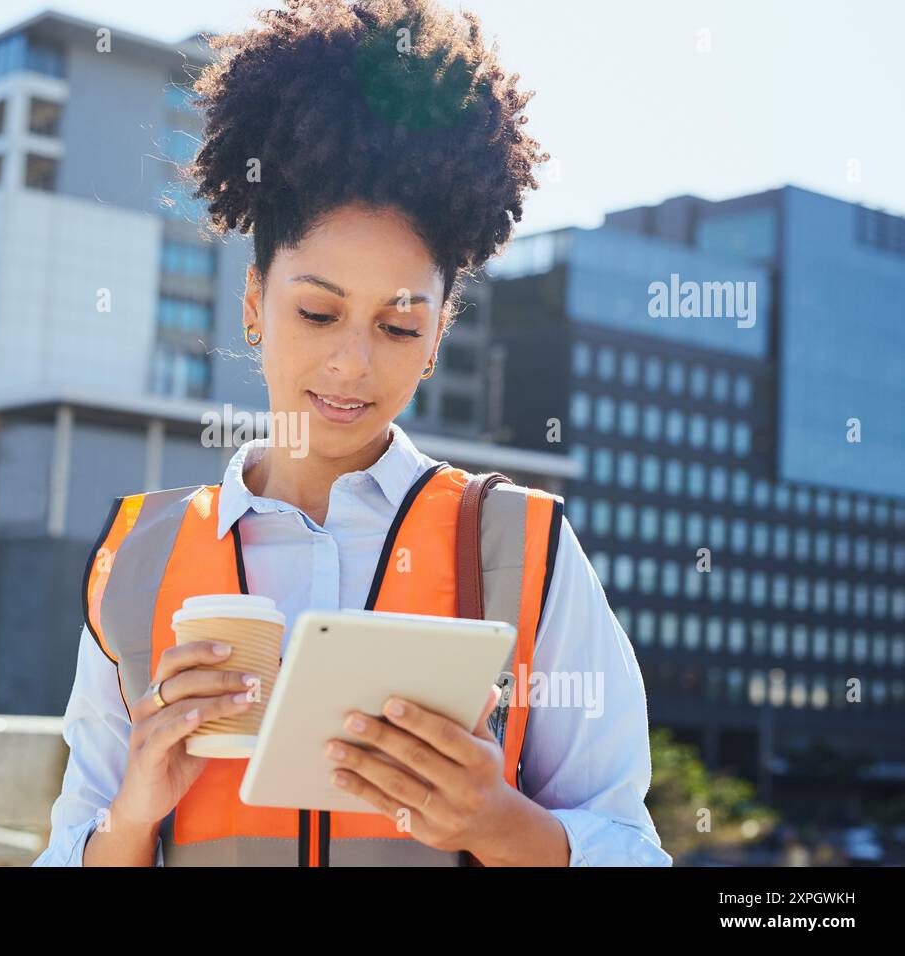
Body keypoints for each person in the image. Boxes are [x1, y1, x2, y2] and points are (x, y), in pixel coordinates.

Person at [35, 0, 671, 866]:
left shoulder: (524, 549)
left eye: (399, 327)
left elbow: (633, 850)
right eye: (319, 311)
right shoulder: (136, 558)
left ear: (441, 333)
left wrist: (498, 821)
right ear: (254, 303)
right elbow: (71, 848)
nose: (351, 366)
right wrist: (134, 814)